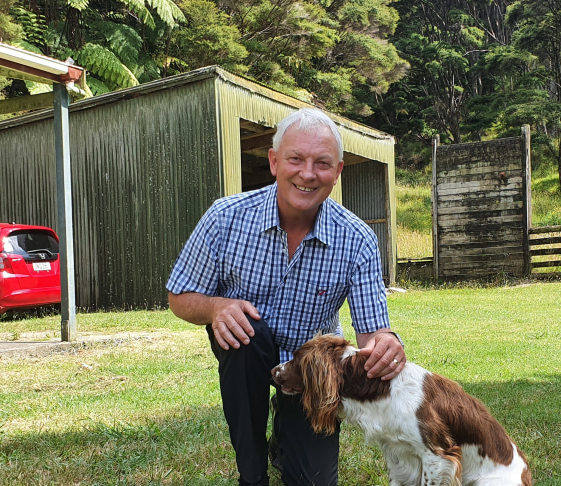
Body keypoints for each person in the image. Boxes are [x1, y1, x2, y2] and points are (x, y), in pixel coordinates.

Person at [167, 107, 405, 486]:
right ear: (275, 162)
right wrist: (215, 307)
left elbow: (372, 333)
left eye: (322, 163)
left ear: (338, 172)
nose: (307, 174)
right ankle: (253, 472)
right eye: (296, 159)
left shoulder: (358, 239)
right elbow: (180, 295)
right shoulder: (224, 218)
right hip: (246, 353)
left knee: (313, 481)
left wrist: (386, 344)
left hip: (311, 368)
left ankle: (287, 432)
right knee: (246, 335)